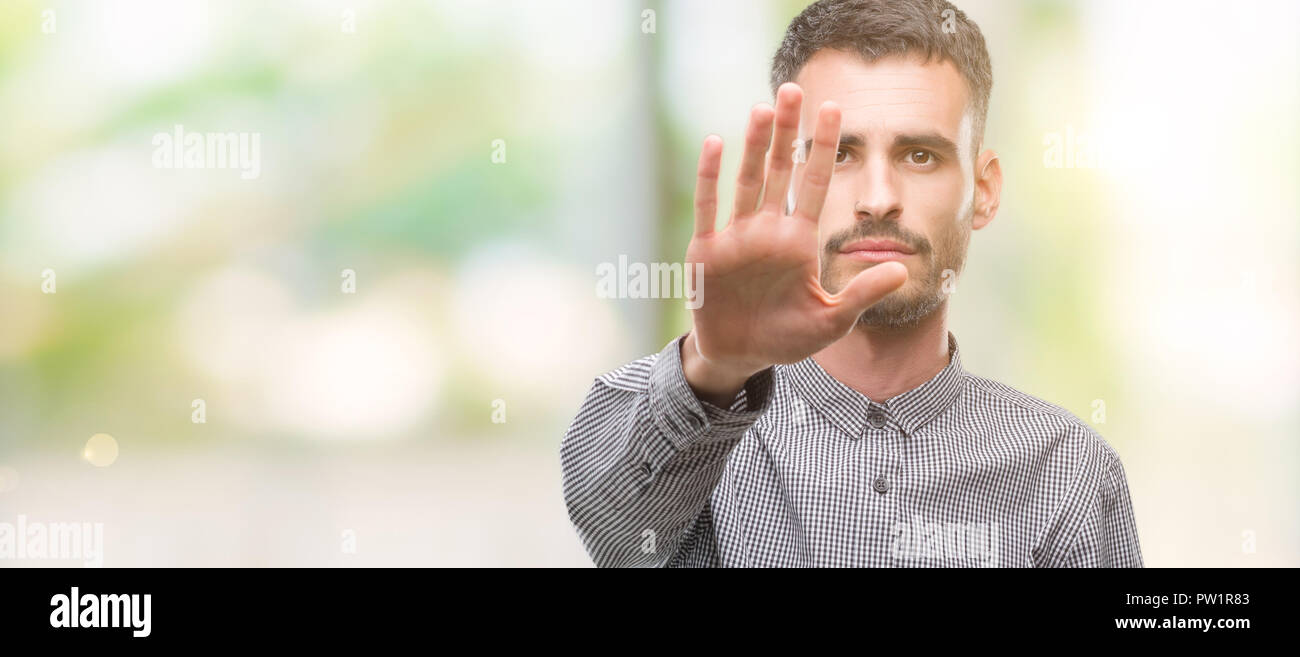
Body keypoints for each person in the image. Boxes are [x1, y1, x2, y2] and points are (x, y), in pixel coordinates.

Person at [560, 0, 1142, 567]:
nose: (878, 199)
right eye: (839, 154)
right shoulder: (688, 417)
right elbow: (612, 533)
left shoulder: (1069, 472)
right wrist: (714, 371)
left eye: (919, 155)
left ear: (983, 191)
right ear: (789, 179)